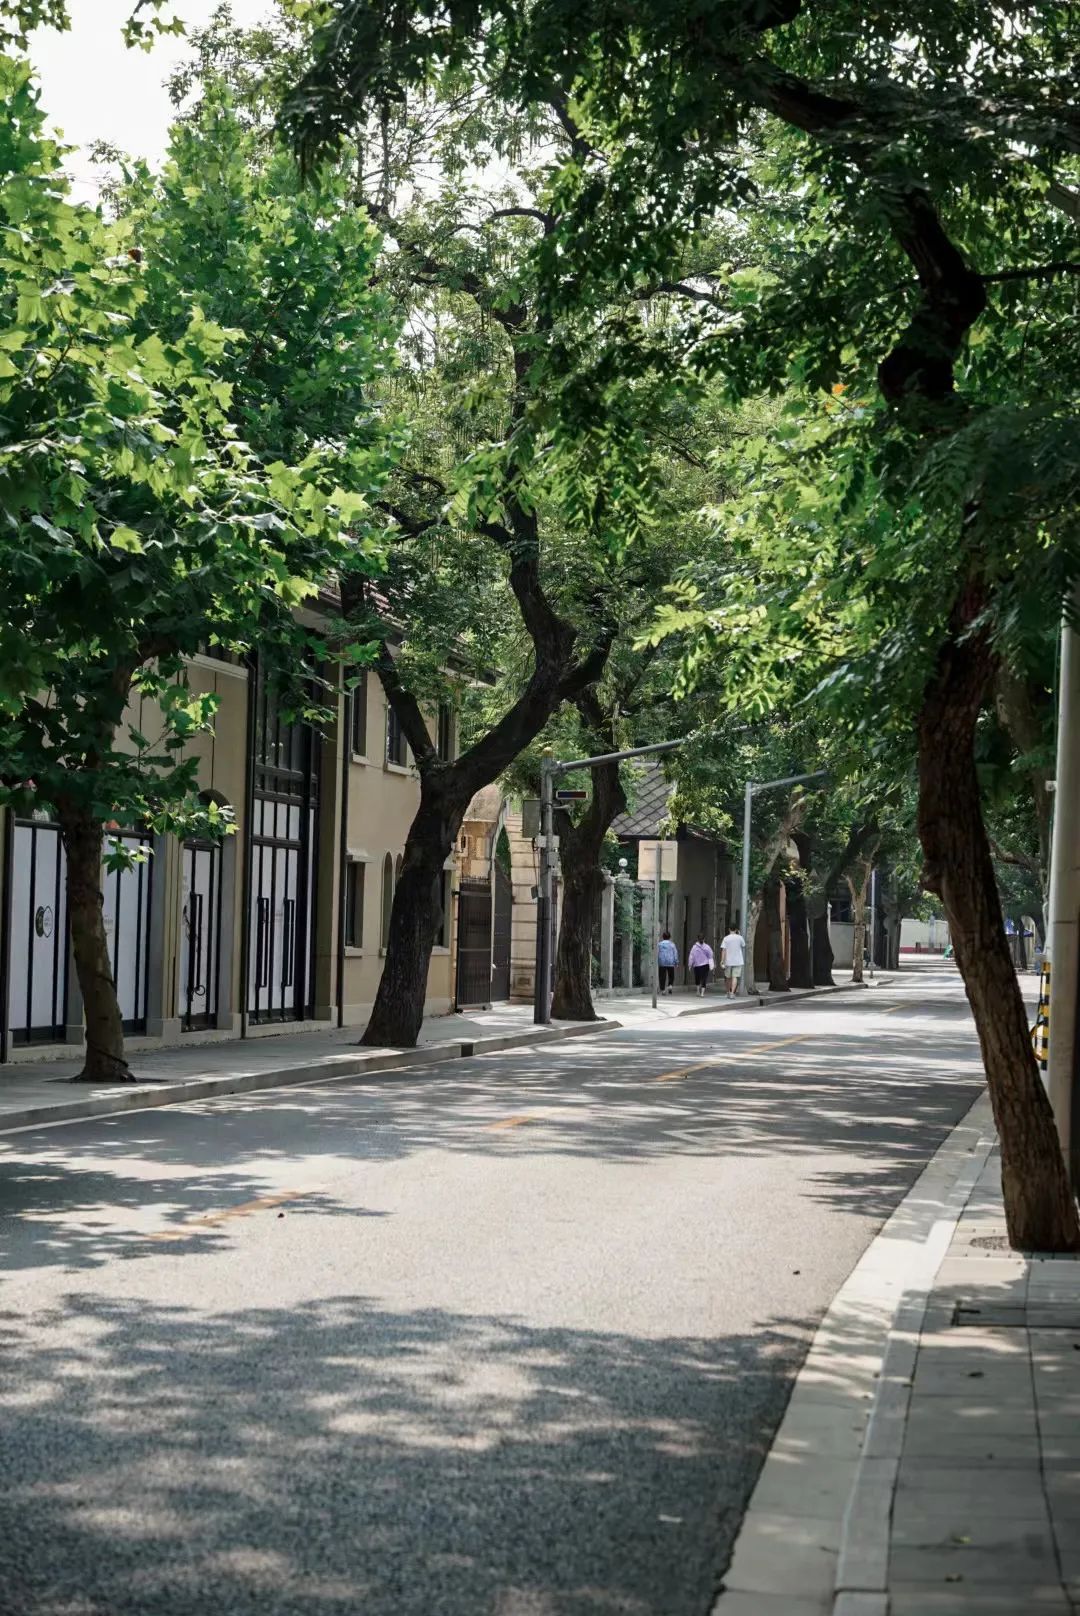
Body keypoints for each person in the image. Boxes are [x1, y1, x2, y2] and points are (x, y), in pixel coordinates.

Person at [720, 924, 745, 997]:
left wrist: (722, 960)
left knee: (728, 977)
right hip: (738, 961)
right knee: (735, 977)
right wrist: (739, 935)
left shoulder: (726, 938)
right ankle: (732, 993)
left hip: (728, 961)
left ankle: (728, 992)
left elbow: (723, 950)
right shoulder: (740, 938)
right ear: (736, 929)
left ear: (729, 929)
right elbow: (743, 945)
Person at [657, 931, 678, 995]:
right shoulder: (672, 944)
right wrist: (676, 962)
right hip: (670, 962)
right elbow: (675, 953)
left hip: (662, 962)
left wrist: (656, 960)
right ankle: (670, 986)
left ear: (663, 937)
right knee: (671, 975)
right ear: (670, 937)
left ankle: (663, 990)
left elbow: (657, 953)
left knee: (662, 976)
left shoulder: (659, 944)